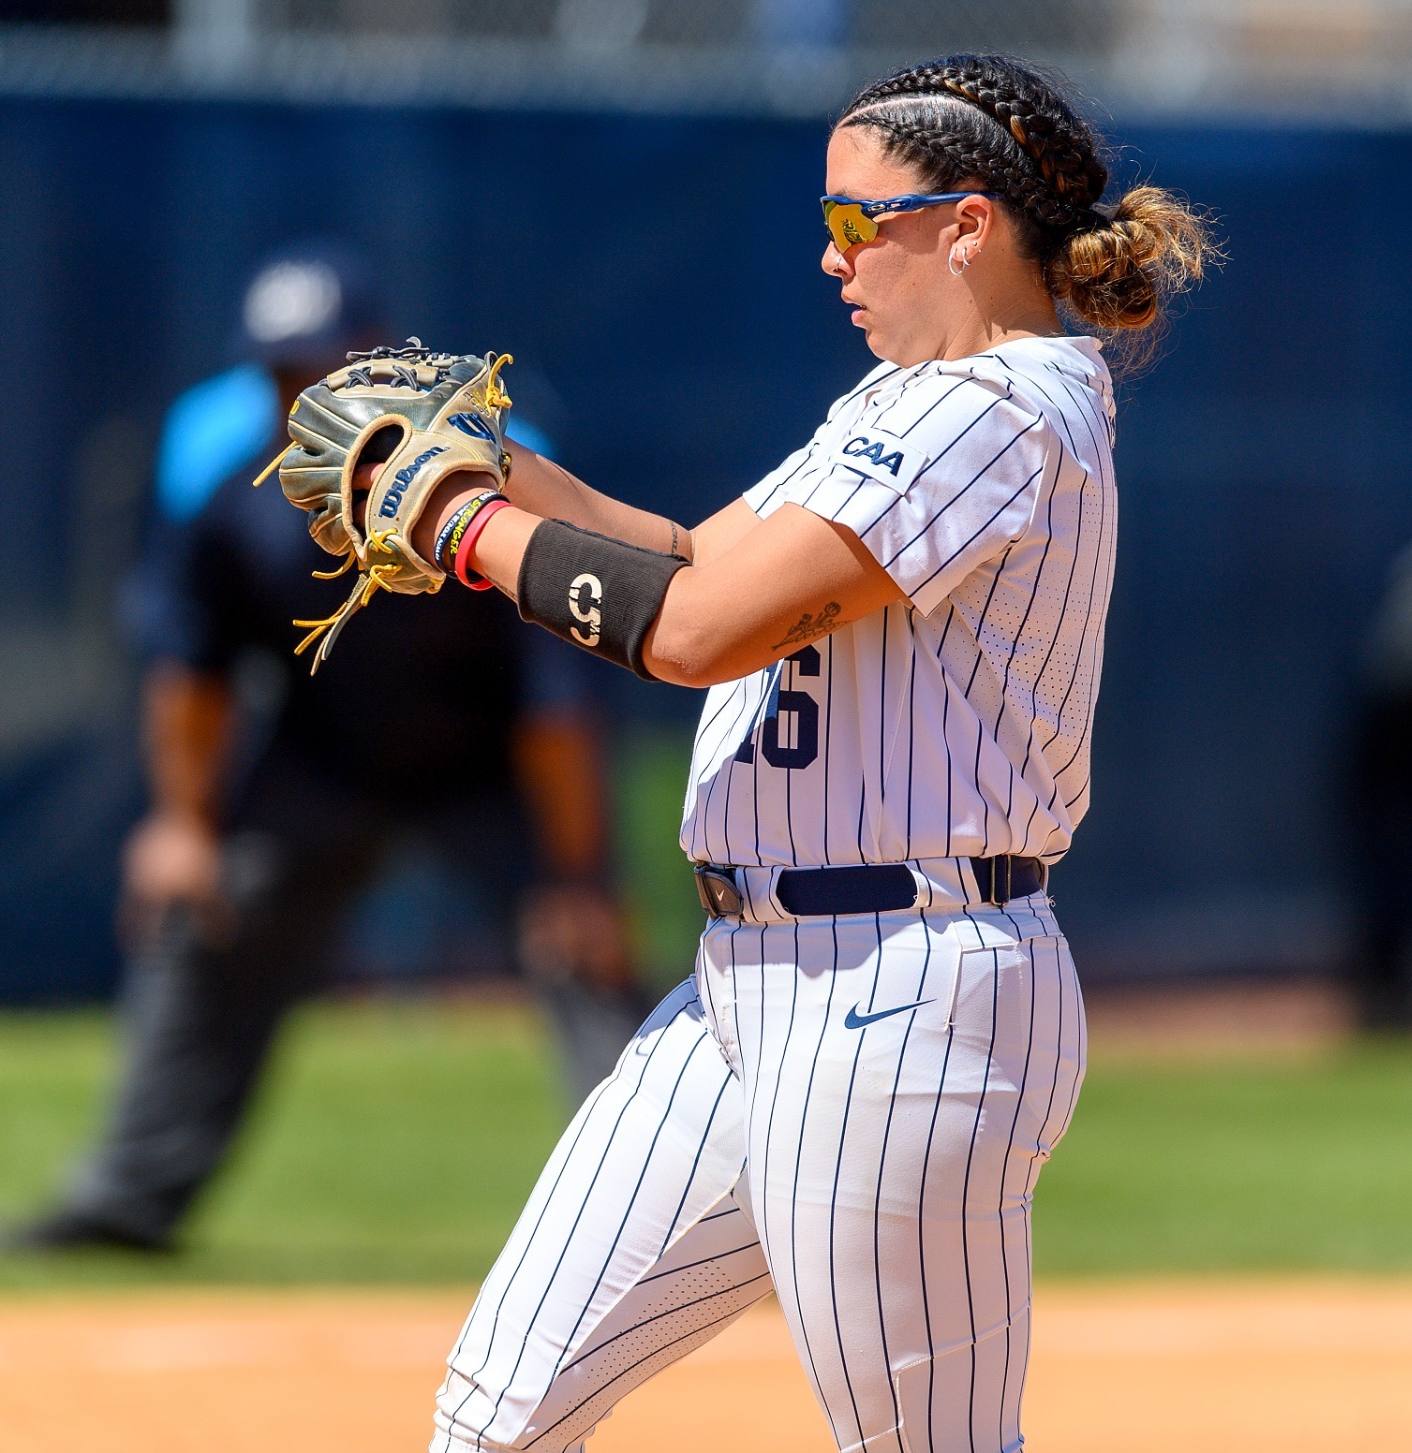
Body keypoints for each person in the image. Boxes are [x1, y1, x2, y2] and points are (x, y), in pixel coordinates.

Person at [308, 54, 1213, 1451]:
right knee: (496, 1413)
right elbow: (686, 552)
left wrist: (462, 533)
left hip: (907, 991)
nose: (831, 254)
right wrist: (487, 463)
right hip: (744, 989)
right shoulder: (900, 400)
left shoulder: (1001, 407)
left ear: (968, 225)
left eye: (862, 219)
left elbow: (697, 630)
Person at [0, 242, 643, 1256]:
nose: (307, 392)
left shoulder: (488, 463)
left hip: (488, 765)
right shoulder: (226, 475)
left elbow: (553, 692)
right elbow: (190, 666)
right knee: (205, 912)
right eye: (285, 373)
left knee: (583, 949)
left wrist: (577, 872)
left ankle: (669, 1216)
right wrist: (180, 823)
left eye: (329, 368)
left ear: (381, 360)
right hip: (319, 758)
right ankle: (126, 1201)